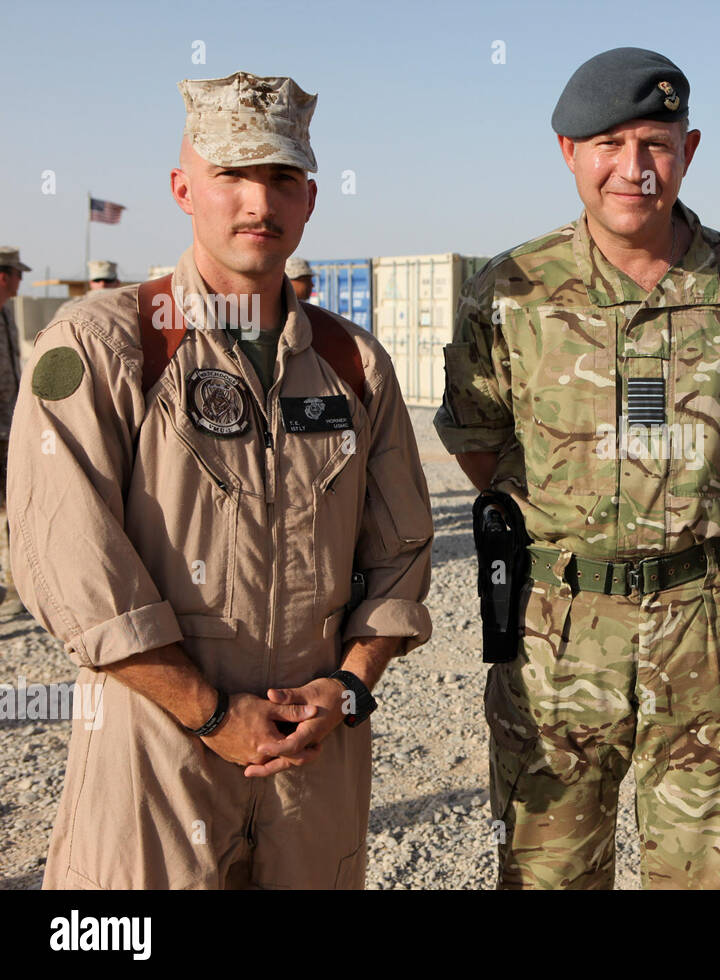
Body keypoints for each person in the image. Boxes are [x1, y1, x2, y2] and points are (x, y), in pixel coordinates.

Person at [8, 70, 434, 889]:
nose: (257, 203)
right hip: (156, 757)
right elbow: (65, 554)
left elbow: (403, 553)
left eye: (280, 178)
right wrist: (208, 711)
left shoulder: (354, 365)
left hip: (312, 761)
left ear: (310, 199)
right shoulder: (107, 344)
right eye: (231, 175)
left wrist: (347, 684)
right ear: (183, 188)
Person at [435, 46, 720, 889]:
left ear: (689, 150)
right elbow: (476, 433)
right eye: (609, 144)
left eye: (656, 143)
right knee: (548, 873)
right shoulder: (513, 287)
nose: (634, 168)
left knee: (697, 875)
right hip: (560, 633)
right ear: (568, 154)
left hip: (706, 629)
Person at [0, 247, 29, 610]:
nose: (23, 280)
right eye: (19, 273)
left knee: (16, 506)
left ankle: (16, 583)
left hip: (9, 429)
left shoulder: (8, 314)